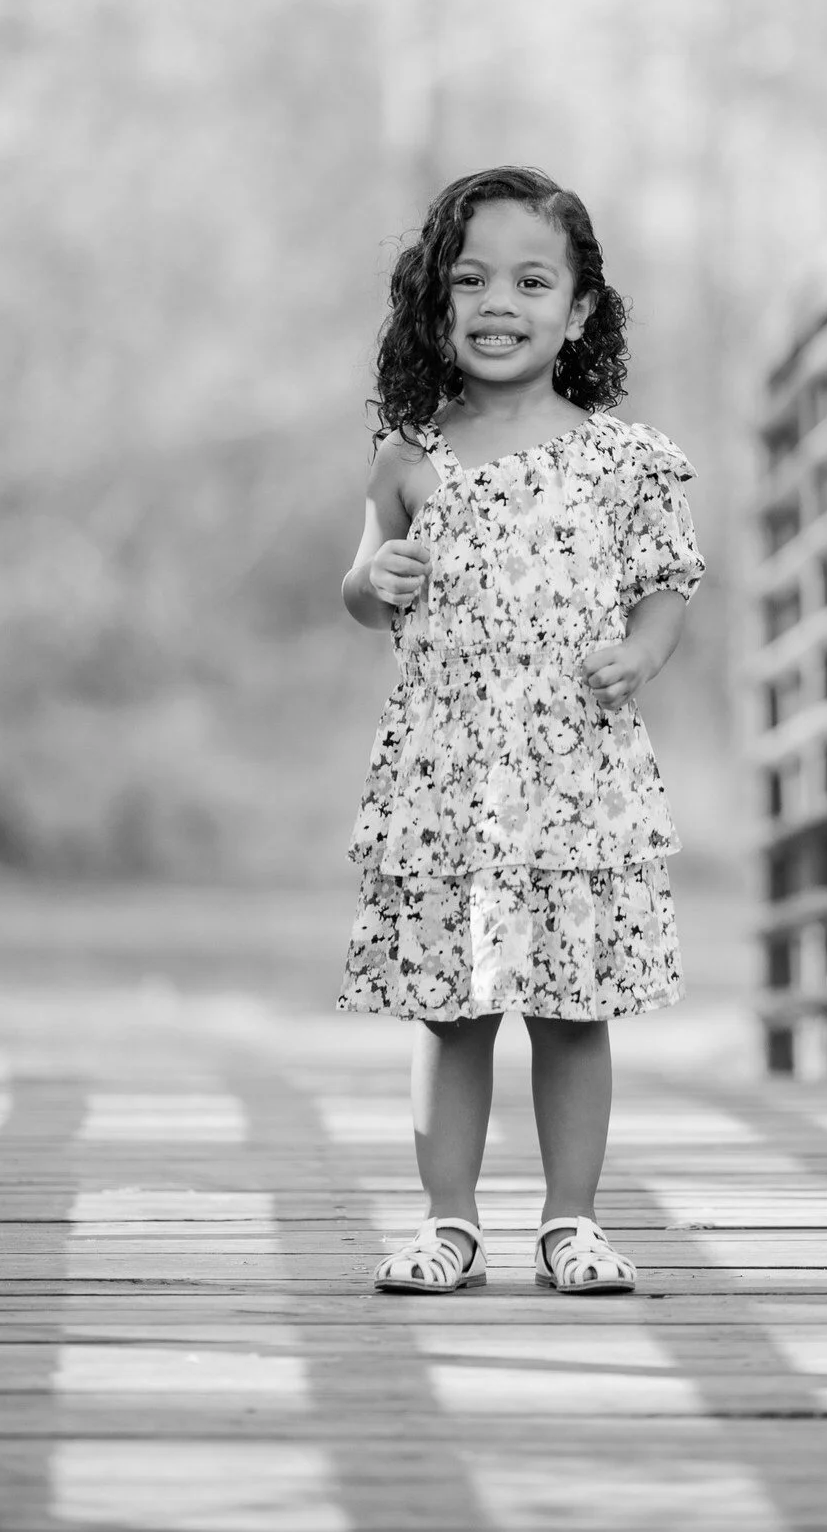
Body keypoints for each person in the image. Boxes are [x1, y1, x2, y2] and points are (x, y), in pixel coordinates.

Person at [337, 166, 704, 1296]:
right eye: (471, 278)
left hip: (575, 774)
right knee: (451, 1010)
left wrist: (639, 654)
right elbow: (361, 586)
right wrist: (379, 576)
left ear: (579, 309)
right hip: (451, 776)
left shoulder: (621, 460)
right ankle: (448, 1219)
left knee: (570, 1006)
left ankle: (572, 1220)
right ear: (435, 305)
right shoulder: (412, 456)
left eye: (531, 280)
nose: (500, 302)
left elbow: (668, 583)